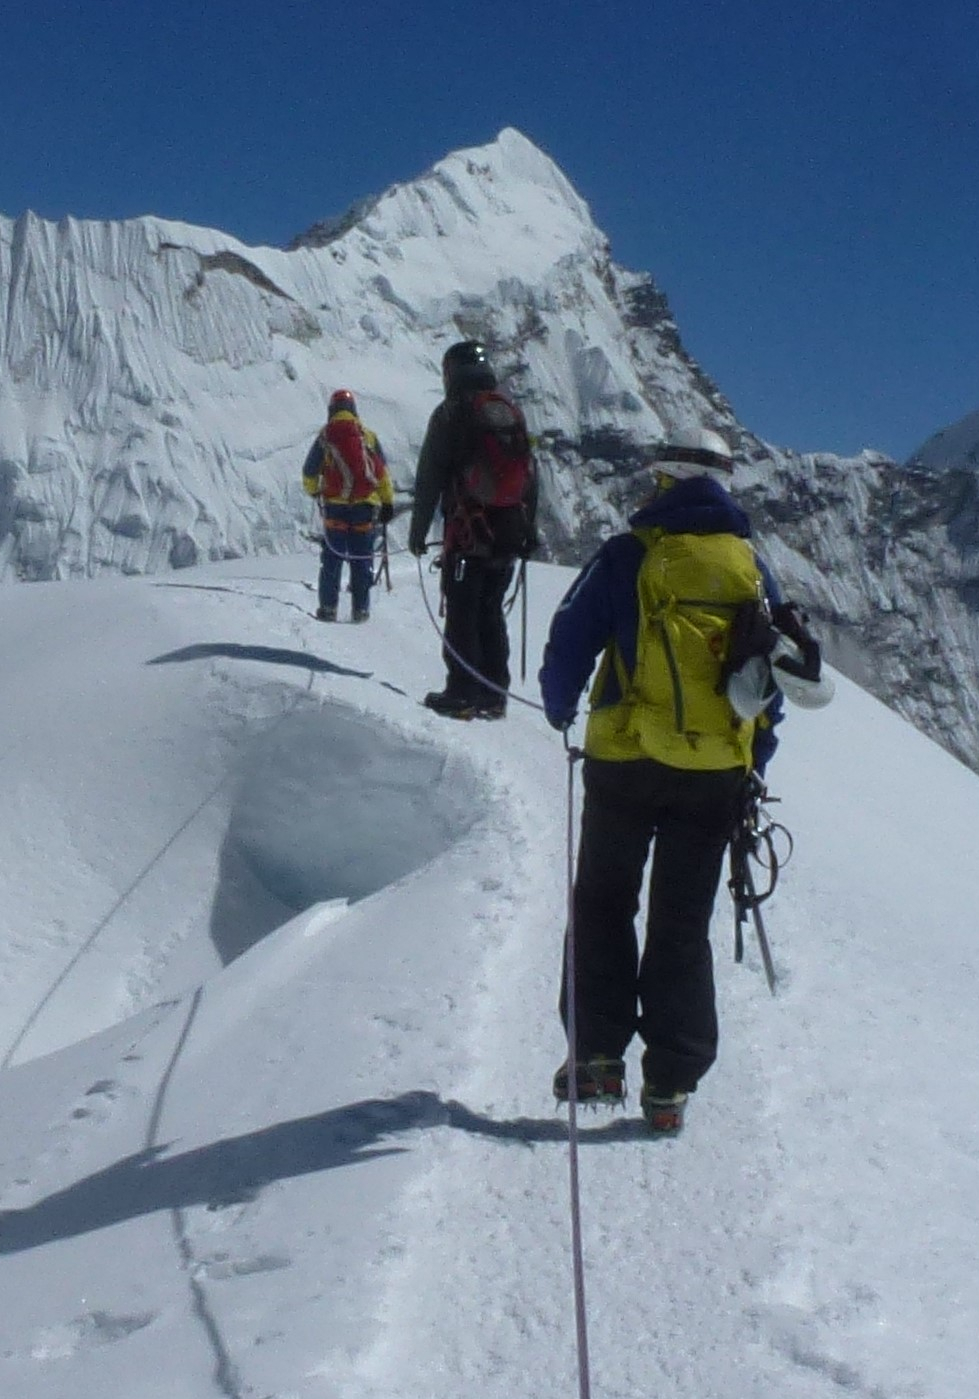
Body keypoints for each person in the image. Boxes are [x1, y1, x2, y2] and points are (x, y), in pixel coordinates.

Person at [532, 436, 808, 1137]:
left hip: (622, 759)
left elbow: (570, 636)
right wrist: (753, 759)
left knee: (602, 899)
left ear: (664, 481)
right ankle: (670, 1085)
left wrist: (561, 706)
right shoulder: (752, 569)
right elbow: (770, 678)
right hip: (714, 773)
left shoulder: (630, 552)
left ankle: (595, 1056)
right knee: (681, 922)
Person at [403, 341, 542, 718]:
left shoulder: (452, 413)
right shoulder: (509, 412)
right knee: (491, 610)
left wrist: (417, 532)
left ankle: (463, 691)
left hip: (469, 531)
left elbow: (430, 476)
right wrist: (528, 528)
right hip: (509, 532)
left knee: (462, 610)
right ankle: (494, 694)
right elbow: (531, 473)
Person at [300, 390, 394, 622]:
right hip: (365, 507)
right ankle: (360, 610)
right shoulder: (367, 436)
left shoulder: (326, 436)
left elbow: (309, 471)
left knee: (333, 558)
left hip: (335, 507)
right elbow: (382, 474)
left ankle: (328, 608)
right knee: (361, 559)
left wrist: (314, 491)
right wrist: (387, 502)